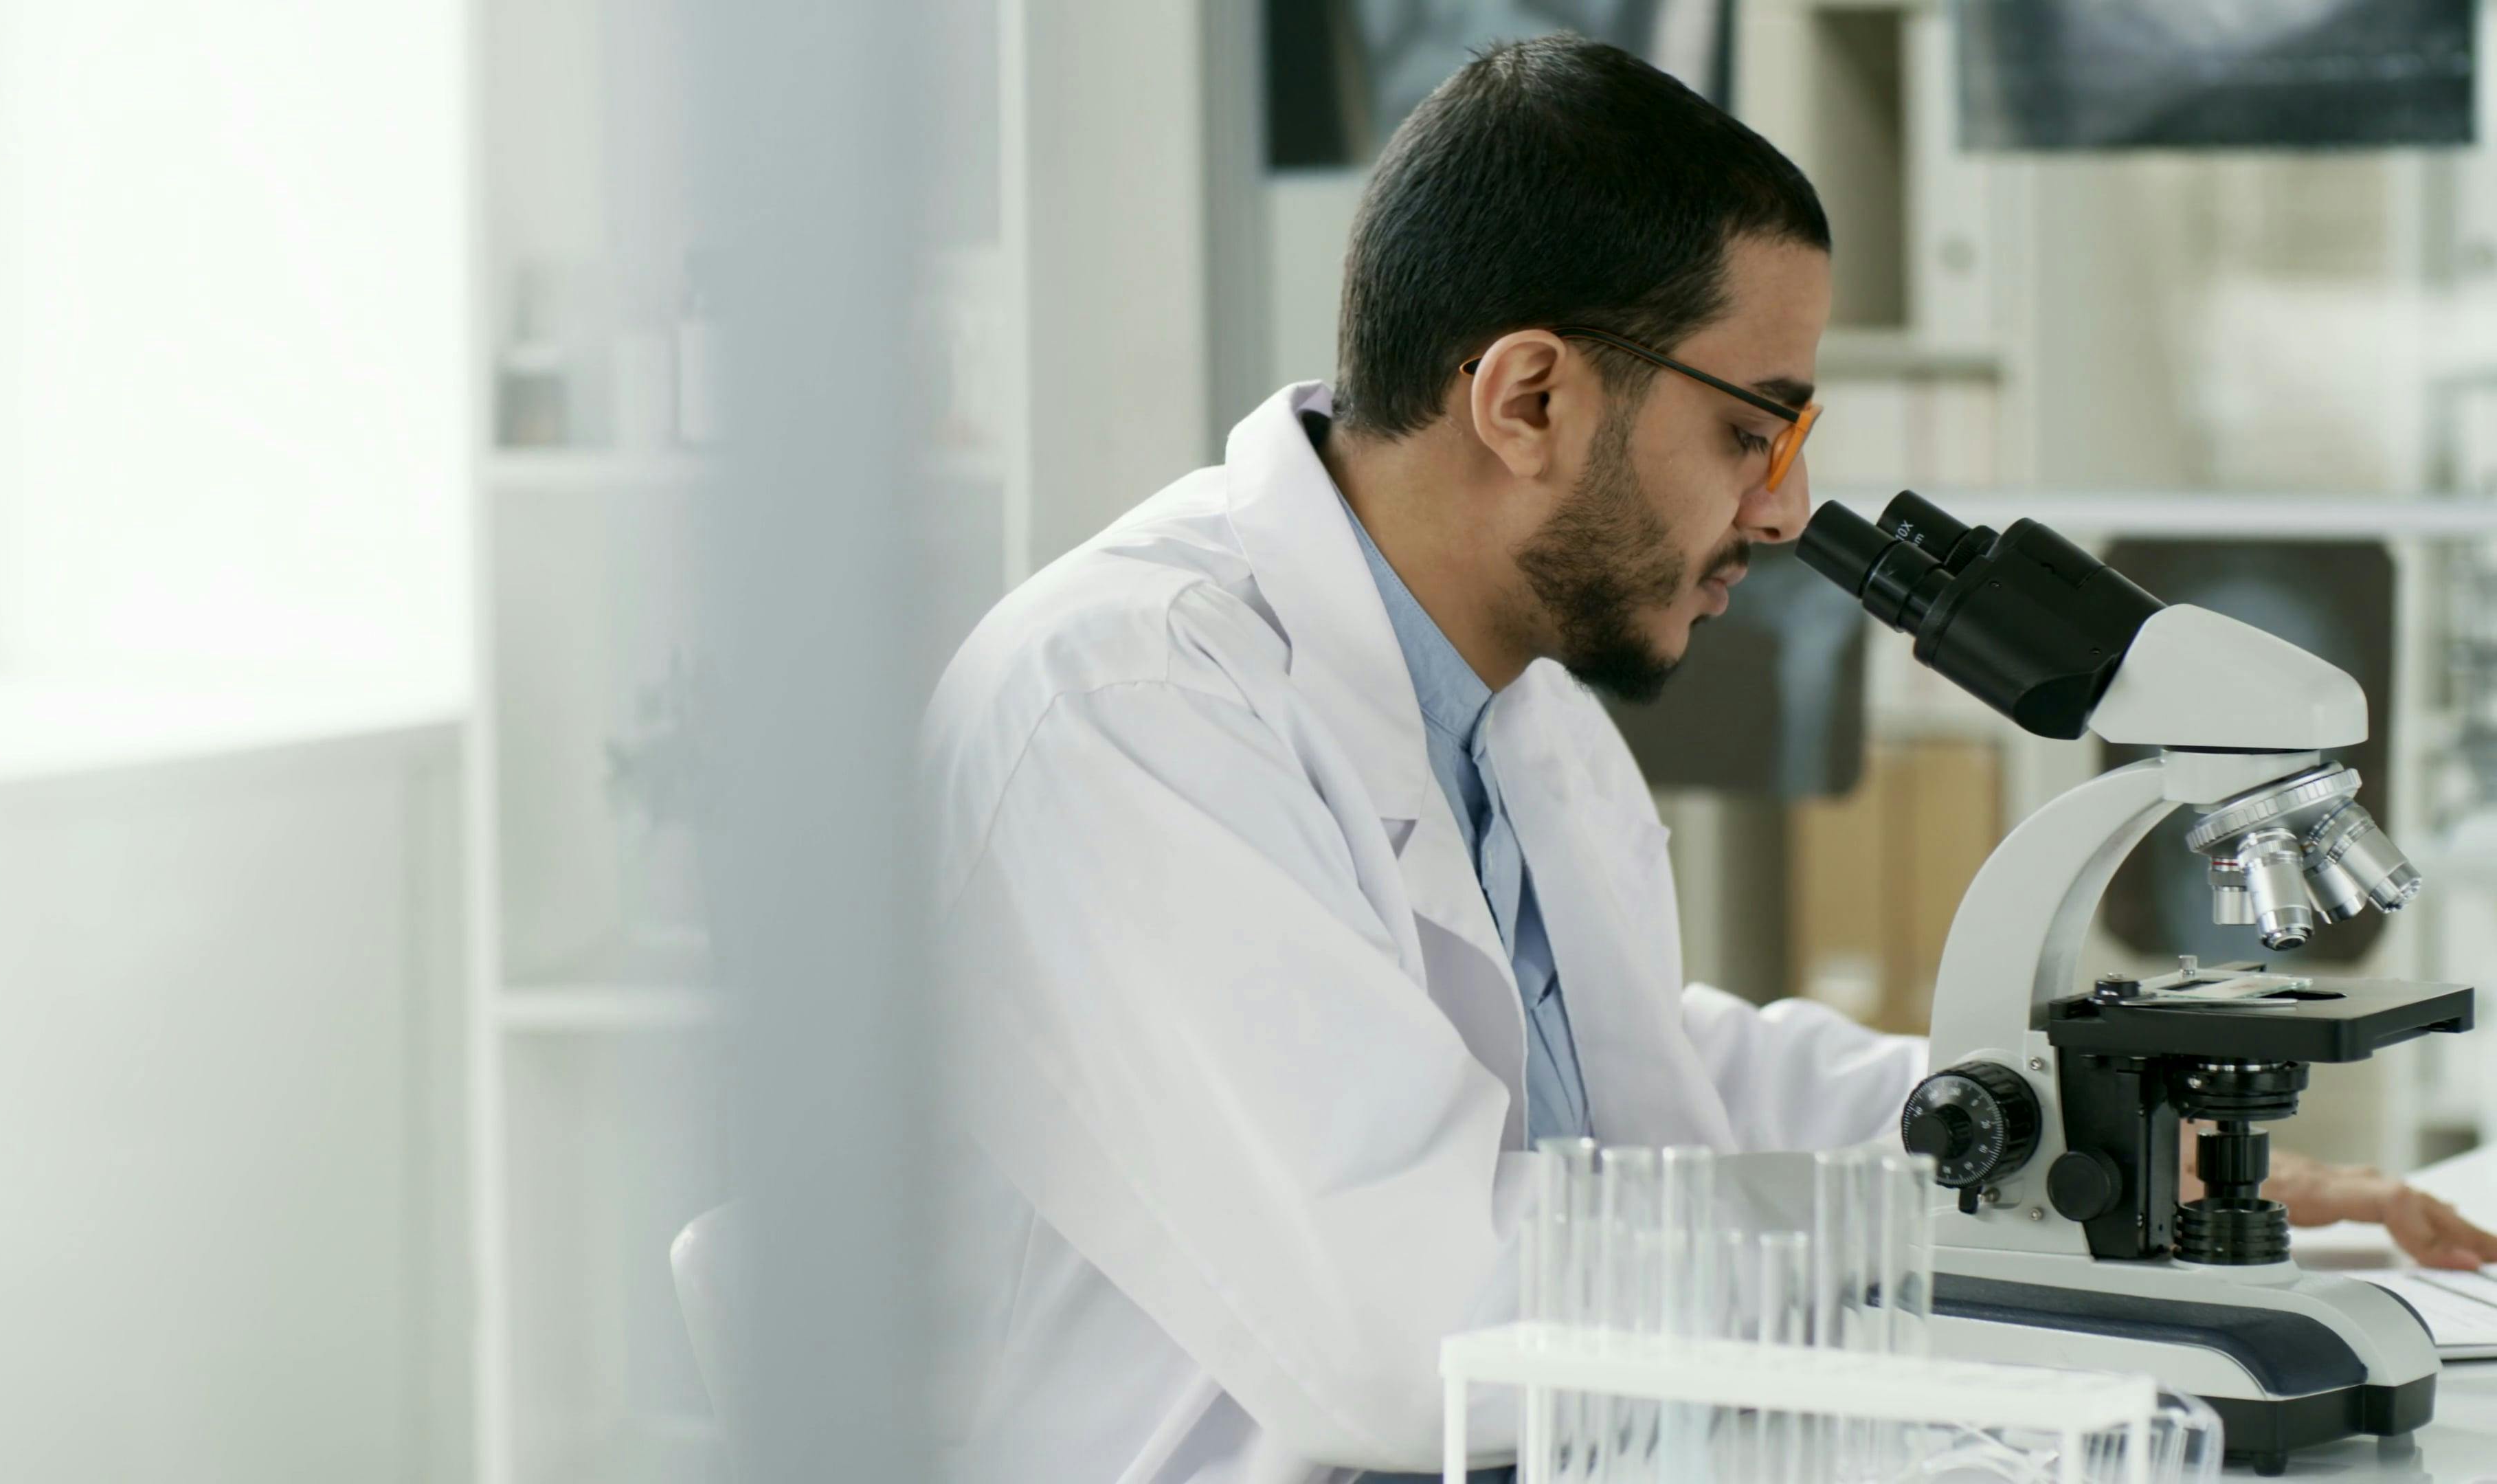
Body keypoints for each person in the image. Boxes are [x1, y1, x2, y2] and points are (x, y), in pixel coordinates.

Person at [921, 35, 2497, 1484]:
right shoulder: (1128, 698)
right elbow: (1424, 1333)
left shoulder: (1520, 708)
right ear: (1529, 396)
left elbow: (1636, 1086)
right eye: (1757, 429)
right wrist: (1960, 1215)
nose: (1784, 513)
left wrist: (2072, 1134)